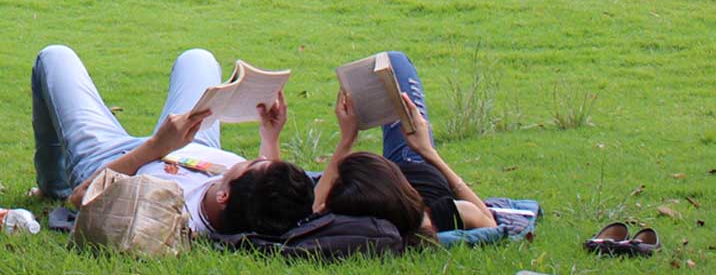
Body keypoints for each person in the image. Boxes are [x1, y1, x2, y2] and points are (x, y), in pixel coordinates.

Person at [31, 44, 313, 237]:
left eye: (252, 163)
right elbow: (267, 187)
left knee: (54, 57)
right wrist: (270, 134)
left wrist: (158, 145)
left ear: (223, 195)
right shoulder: (252, 198)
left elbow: (81, 196)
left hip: (113, 160)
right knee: (198, 58)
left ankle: (53, 183)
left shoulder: (170, 217)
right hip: (195, 144)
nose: (261, 159)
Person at [313, 51, 494, 241]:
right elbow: (491, 224)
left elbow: (314, 210)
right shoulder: (443, 214)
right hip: (414, 160)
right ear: (397, 182)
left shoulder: (353, 220)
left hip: (390, 183)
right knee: (394, 61)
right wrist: (428, 152)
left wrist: (346, 141)